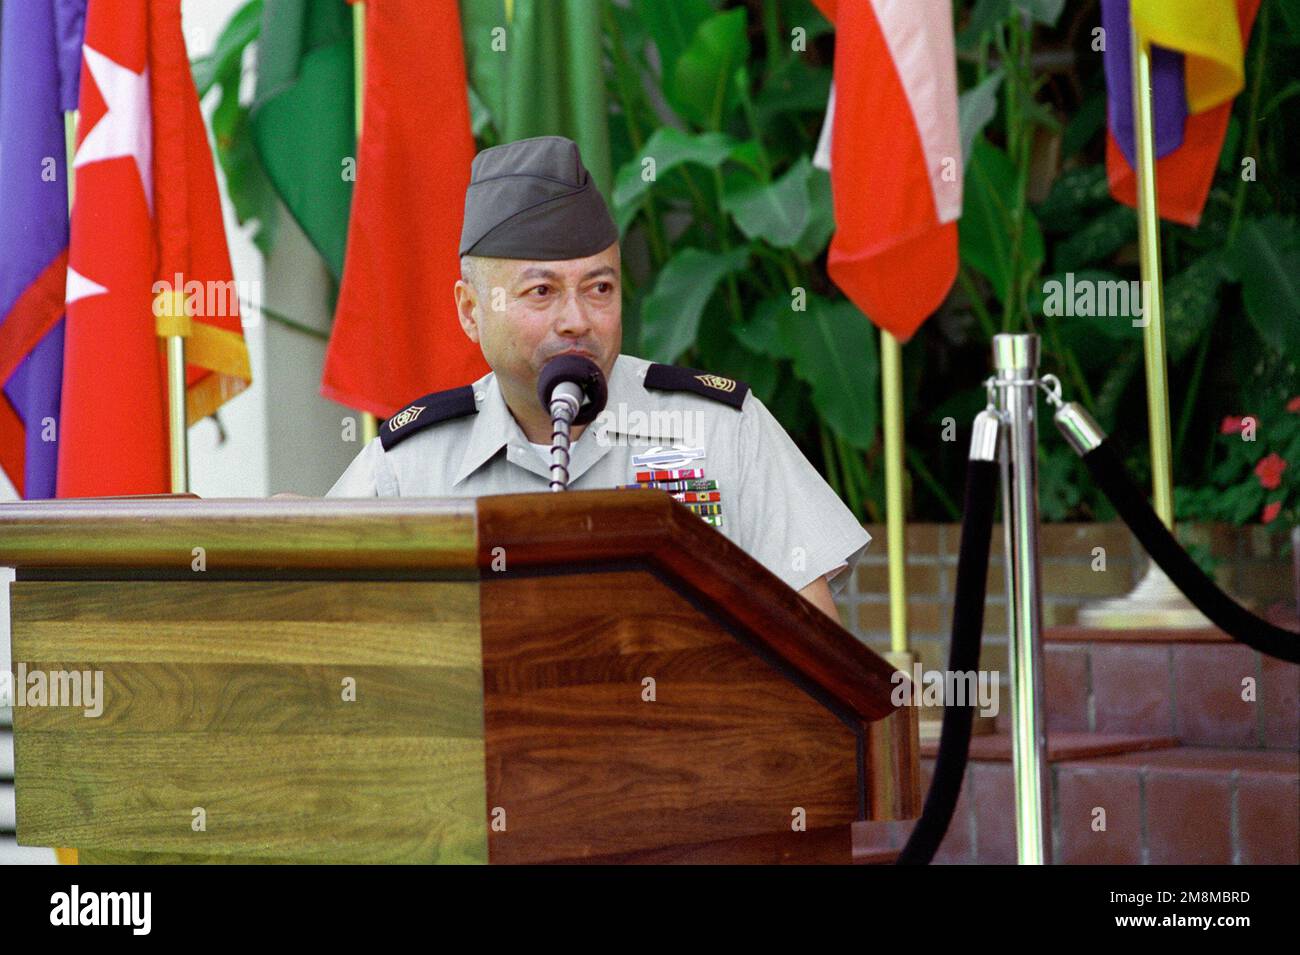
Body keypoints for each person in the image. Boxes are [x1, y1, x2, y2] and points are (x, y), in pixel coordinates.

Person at [327, 135, 870, 621]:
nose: (577, 320)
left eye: (599, 289)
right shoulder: (412, 465)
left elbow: (818, 651)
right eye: (541, 292)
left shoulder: (720, 430)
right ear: (471, 311)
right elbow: (317, 616)